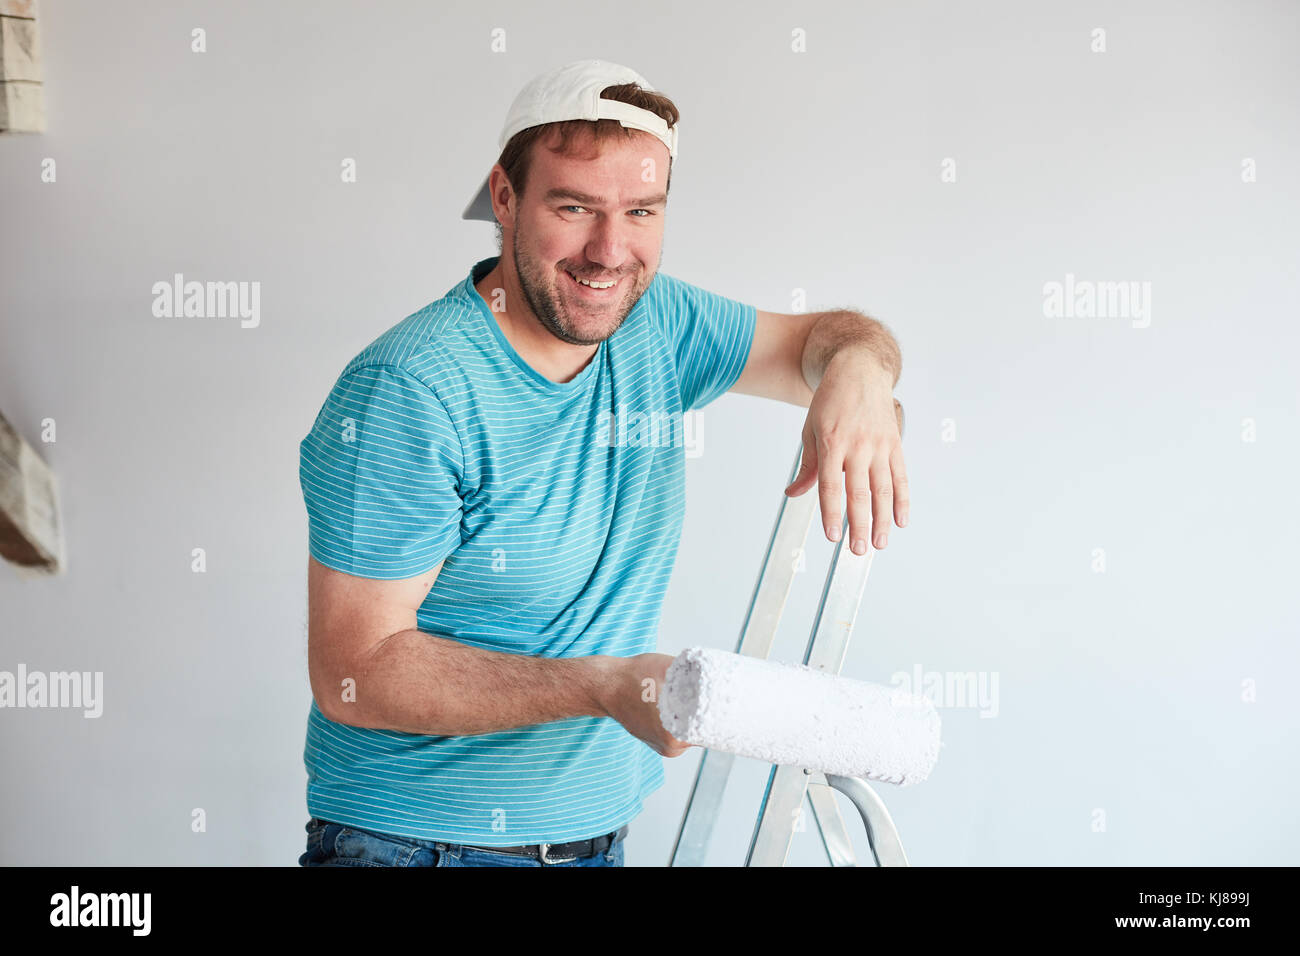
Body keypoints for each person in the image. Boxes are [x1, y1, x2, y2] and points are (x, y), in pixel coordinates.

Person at [296, 59, 908, 868]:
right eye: (574, 206)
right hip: (419, 847)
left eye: (641, 211)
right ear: (505, 199)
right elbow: (358, 672)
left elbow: (824, 339)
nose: (608, 250)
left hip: (595, 843)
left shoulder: (657, 321)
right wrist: (604, 688)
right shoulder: (409, 392)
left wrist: (859, 375)